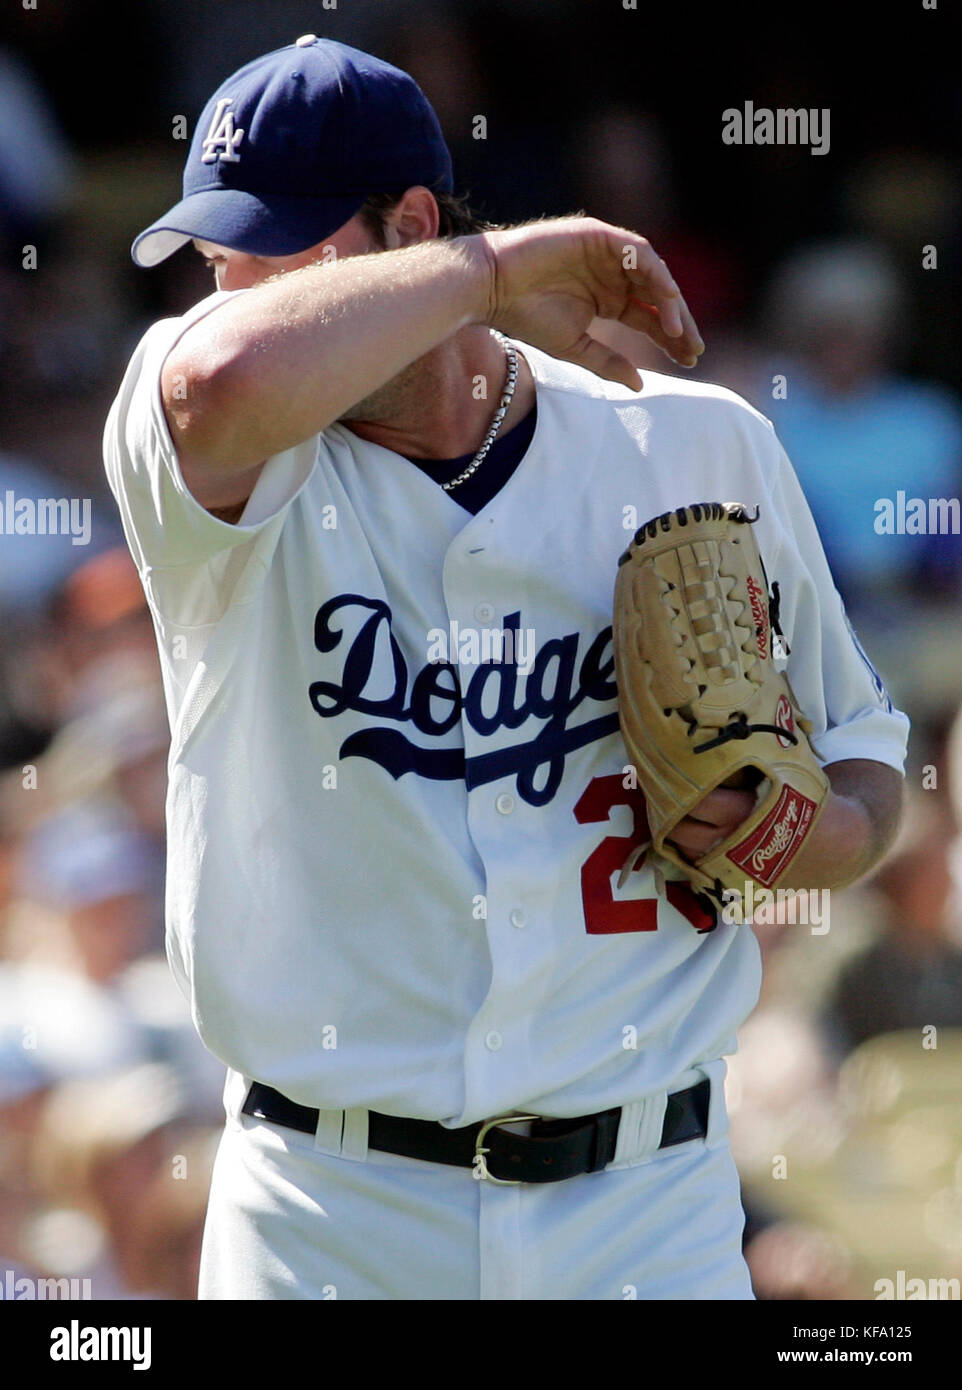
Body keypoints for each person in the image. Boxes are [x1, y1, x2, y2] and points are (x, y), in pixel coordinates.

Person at [103, 36, 908, 1300]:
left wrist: (817, 836)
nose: (236, 289)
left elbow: (863, 741)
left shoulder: (689, 440)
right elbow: (219, 376)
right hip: (330, 1215)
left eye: (281, 248)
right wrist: (487, 273)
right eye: (219, 258)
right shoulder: (214, 438)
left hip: (645, 1206)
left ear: (408, 222)